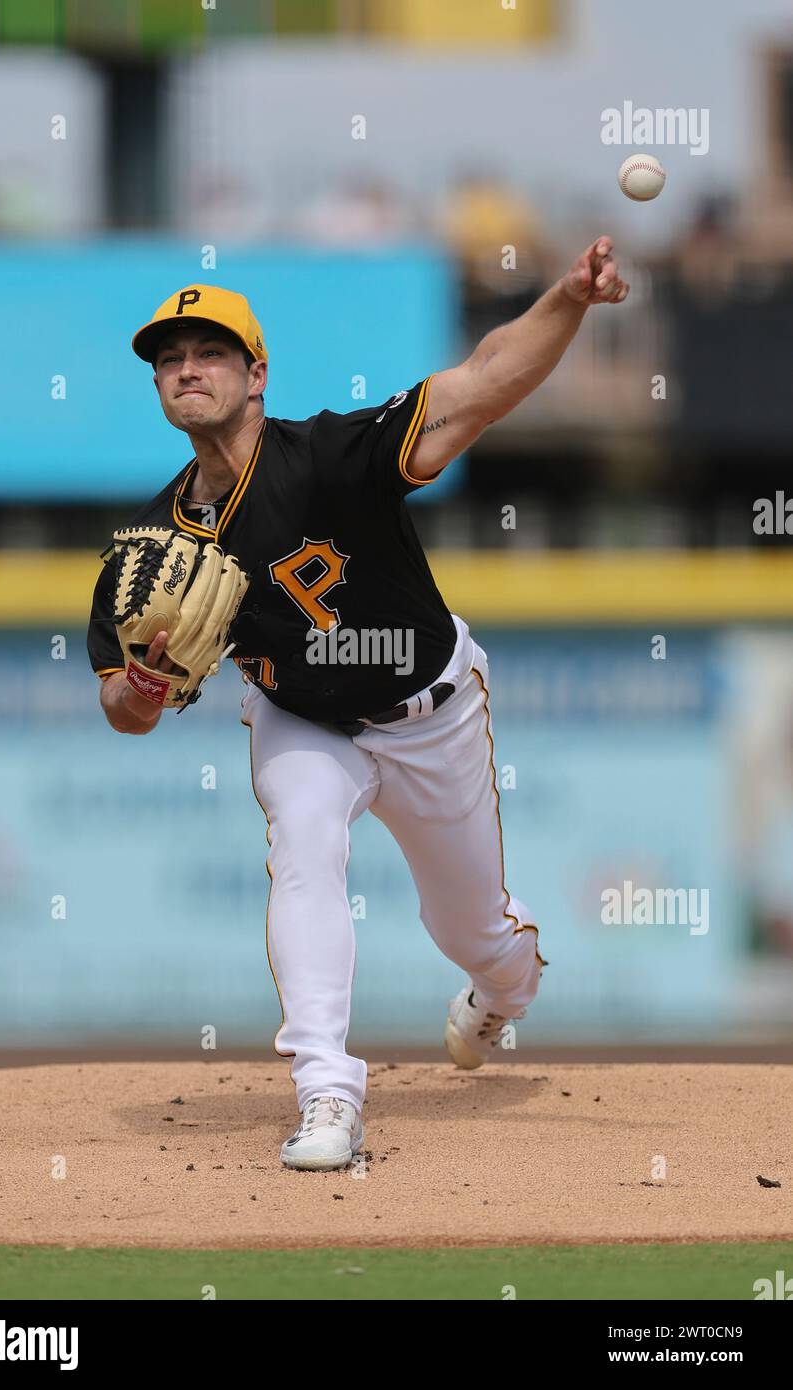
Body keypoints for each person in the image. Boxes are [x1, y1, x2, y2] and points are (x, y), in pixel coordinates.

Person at [87, 242, 629, 1171]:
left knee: (473, 932)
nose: (186, 369)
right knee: (303, 847)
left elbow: (481, 385)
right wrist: (139, 686)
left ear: (256, 374)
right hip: (302, 718)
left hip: (432, 711)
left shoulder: (332, 455)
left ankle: (504, 990)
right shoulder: (149, 545)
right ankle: (328, 1095)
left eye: (209, 352)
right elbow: (118, 706)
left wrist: (569, 297)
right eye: (169, 358)